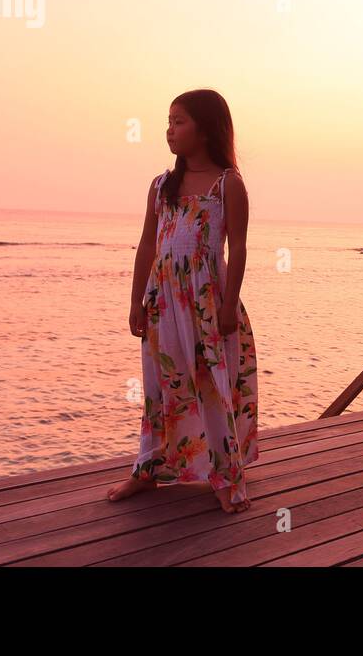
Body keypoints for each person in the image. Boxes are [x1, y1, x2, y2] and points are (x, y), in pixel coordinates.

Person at [107, 89, 259, 513]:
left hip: (208, 299)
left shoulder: (228, 185)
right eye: (168, 122)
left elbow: (240, 249)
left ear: (207, 129)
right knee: (160, 385)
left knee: (211, 384)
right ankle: (148, 470)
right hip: (163, 299)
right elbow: (146, 247)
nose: (169, 130)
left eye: (179, 121)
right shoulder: (161, 186)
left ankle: (224, 475)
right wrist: (135, 301)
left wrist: (229, 307)